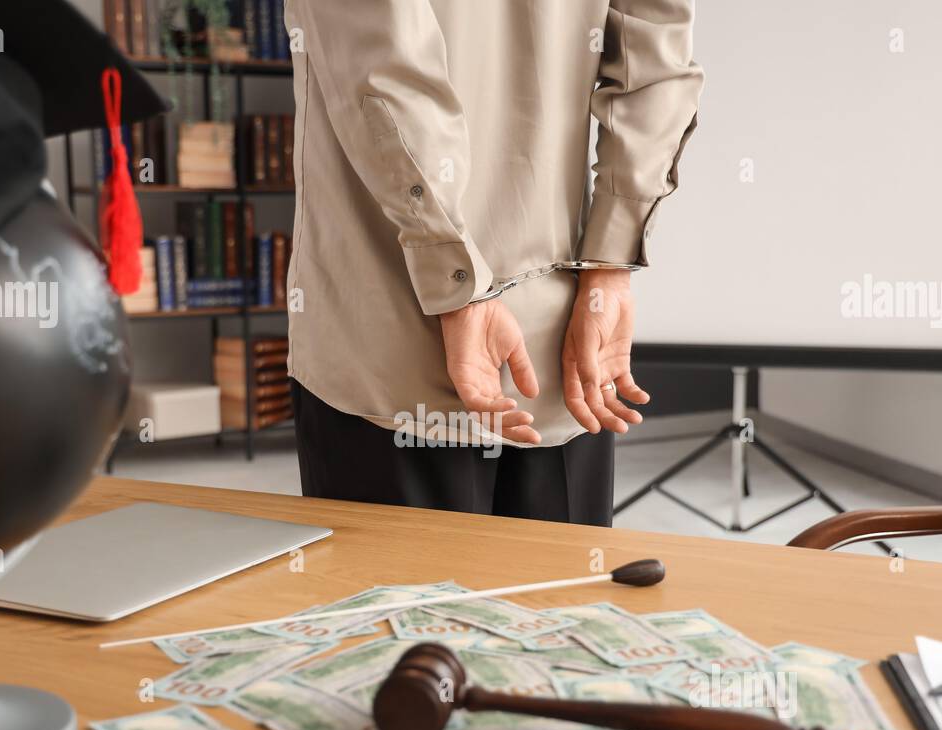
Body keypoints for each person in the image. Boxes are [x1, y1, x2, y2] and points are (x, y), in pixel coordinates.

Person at [283, 0, 703, 526]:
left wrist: (456, 279)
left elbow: (382, 66)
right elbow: (655, 64)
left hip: (388, 344)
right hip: (564, 350)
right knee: (559, 603)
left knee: (399, 605)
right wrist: (610, 263)